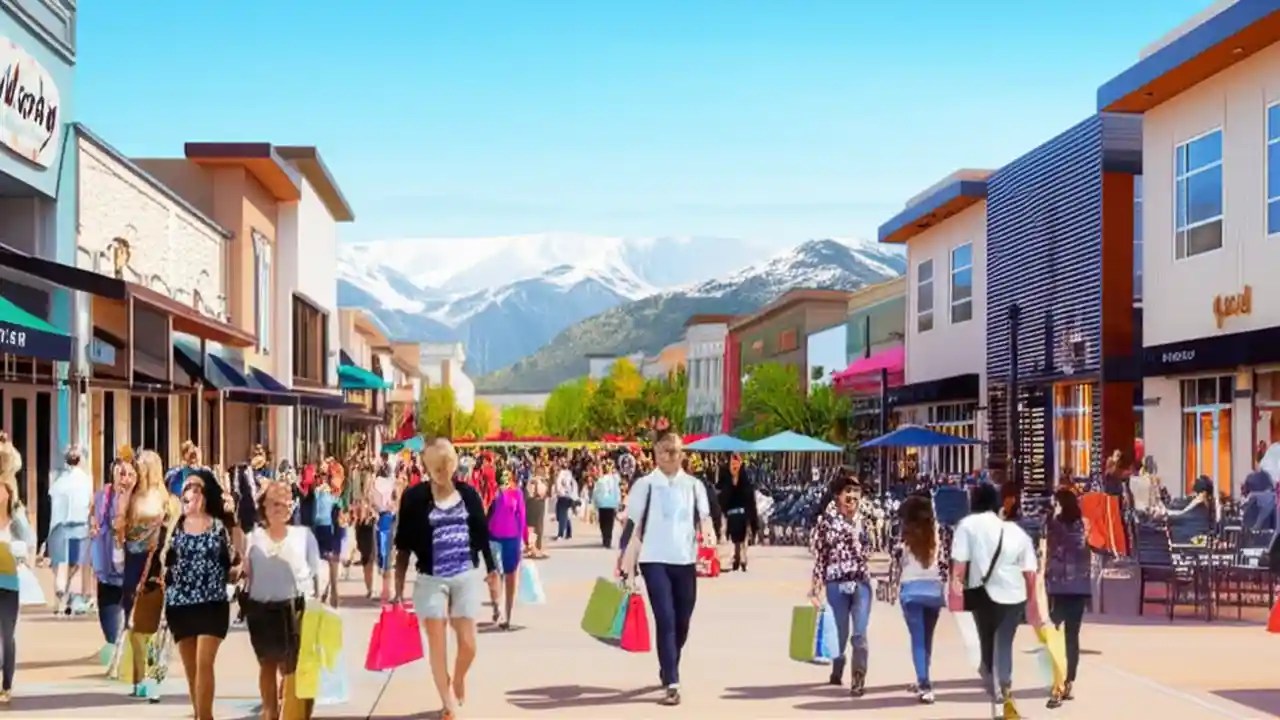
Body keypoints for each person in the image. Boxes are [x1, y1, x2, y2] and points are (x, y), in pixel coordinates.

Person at [394, 439, 496, 720]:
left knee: (468, 644)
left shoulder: (468, 495)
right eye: (435, 467)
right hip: (430, 580)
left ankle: (459, 677)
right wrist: (397, 588)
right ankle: (447, 704)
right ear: (427, 467)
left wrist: (492, 569)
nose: (441, 471)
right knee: (437, 646)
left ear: (453, 464)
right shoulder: (414, 498)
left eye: (446, 465)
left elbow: (482, 534)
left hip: (464, 576)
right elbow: (402, 545)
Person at [617, 430, 712, 707]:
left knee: (682, 621)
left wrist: (709, 534)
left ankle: (668, 663)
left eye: (675, 450)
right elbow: (631, 525)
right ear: (655, 454)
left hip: (685, 559)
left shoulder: (694, 485)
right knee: (666, 618)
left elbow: (705, 517)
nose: (670, 455)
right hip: (653, 558)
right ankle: (672, 681)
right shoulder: (645, 485)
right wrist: (625, 560)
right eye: (664, 451)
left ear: (683, 453)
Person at [947, 482, 1041, 720]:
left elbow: (959, 565)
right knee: (1004, 640)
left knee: (986, 639)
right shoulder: (1015, 531)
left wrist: (955, 595)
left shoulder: (966, 526)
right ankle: (1003, 685)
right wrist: (1032, 603)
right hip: (1014, 594)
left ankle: (994, 681)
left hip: (983, 593)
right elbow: (1030, 569)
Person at [154, 467, 240, 720]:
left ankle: (205, 717)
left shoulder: (218, 527)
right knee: (191, 670)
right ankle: (201, 713)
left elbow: (233, 557)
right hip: (181, 604)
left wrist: (232, 518)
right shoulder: (175, 526)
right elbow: (163, 559)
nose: (191, 493)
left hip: (212, 603)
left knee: (204, 664)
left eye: (197, 489)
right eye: (187, 489)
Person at [243, 479, 320, 720]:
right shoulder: (253, 538)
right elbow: (247, 574)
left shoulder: (304, 536)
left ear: (292, 507)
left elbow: (316, 575)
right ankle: (270, 712)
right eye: (274, 503)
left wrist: (321, 605)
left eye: (285, 504)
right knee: (267, 664)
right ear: (264, 507)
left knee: (289, 667)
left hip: (295, 608)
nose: (279, 508)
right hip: (261, 608)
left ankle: (288, 708)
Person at [808, 473, 872, 696]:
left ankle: (858, 677)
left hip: (860, 581)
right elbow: (820, 555)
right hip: (836, 583)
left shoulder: (866, 518)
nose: (852, 496)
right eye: (848, 491)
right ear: (838, 495)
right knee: (841, 633)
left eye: (856, 491)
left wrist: (857, 530)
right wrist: (815, 584)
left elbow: (870, 550)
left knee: (860, 634)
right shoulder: (826, 522)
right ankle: (837, 668)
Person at [120, 449, 175, 701]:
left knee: (149, 622)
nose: (138, 468)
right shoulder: (132, 495)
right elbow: (121, 527)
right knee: (132, 621)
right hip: (132, 561)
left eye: (142, 464)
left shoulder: (165, 499)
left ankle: (151, 677)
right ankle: (138, 678)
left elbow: (170, 535)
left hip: (154, 564)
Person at [1044, 488, 1092, 709]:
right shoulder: (1085, 525)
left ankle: (1060, 679)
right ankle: (1068, 680)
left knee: (1055, 634)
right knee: (1072, 636)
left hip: (1059, 586)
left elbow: (1051, 550)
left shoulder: (1055, 526)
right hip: (1080, 586)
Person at [895, 494, 945, 704]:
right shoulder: (936, 533)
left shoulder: (904, 535)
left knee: (917, 638)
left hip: (910, 591)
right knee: (927, 638)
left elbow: (897, 561)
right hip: (933, 590)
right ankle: (924, 679)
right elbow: (942, 560)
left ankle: (924, 682)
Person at [89, 453, 134, 650]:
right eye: (120, 473)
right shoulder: (102, 498)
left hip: (133, 570)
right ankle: (116, 647)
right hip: (107, 569)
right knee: (111, 632)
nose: (124, 478)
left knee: (132, 625)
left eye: (128, 474)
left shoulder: (141, 500)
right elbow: (93, 521)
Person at [0, 451, 34, 703]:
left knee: (6, 634)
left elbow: (29, 539)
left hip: (8, 582)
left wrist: (20, 553)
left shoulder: (16, 517)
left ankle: (7, 684)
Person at [48, 446, 94, 616]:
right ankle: (72, 599)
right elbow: (89, 503)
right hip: (79, 526)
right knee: (75, 564)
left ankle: (61, 596)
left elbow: (54, 501)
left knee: (61, 563)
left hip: (60, 525)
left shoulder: (59, 481)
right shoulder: (85, 480)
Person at [486, 466, 525, 629]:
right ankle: (497, 607)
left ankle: (507, 616)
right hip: (494, 537)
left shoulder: (517, 494)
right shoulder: (491, 493)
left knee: (510, 577)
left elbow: (522, 517)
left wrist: (525, 539)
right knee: (496, 574)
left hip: (512, 539)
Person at [719, 454, 759, 572]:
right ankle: (738, 556)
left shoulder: (744, 480)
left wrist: (752, 518)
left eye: (736, 464)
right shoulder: (726, 479)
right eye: (732, 464)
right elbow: (723, 497)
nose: (734, 467)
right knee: (736, 538)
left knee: (743, 537)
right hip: (733, 514)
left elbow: (749, 499)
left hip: (742, 513)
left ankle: (742, 556)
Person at [367, 464, 399, 601]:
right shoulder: (382, 483)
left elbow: (396, 500)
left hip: (386, 519)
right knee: (383, 556)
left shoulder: (389, 483)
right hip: (384, 519)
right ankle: (386, 590)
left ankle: (387, 590)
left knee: (384, 556)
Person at [592, 461, 622, 549]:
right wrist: (618, 502)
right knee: (609, 522)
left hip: (602, 504)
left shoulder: (600, 480)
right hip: (611, 503)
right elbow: (617, 492)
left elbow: (596, 492)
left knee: (603, 522)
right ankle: (608, 539)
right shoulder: (614, 480)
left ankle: (605, 538)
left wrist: (595, 503)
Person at [553, 460, 577, 540]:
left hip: (563, 496)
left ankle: (560, 534)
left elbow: (559, 484)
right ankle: (569, 533)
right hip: (567, 496)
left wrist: (558, 492)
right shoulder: (569, 473)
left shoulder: (562, 473)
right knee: (565, 515)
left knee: (561, 515)